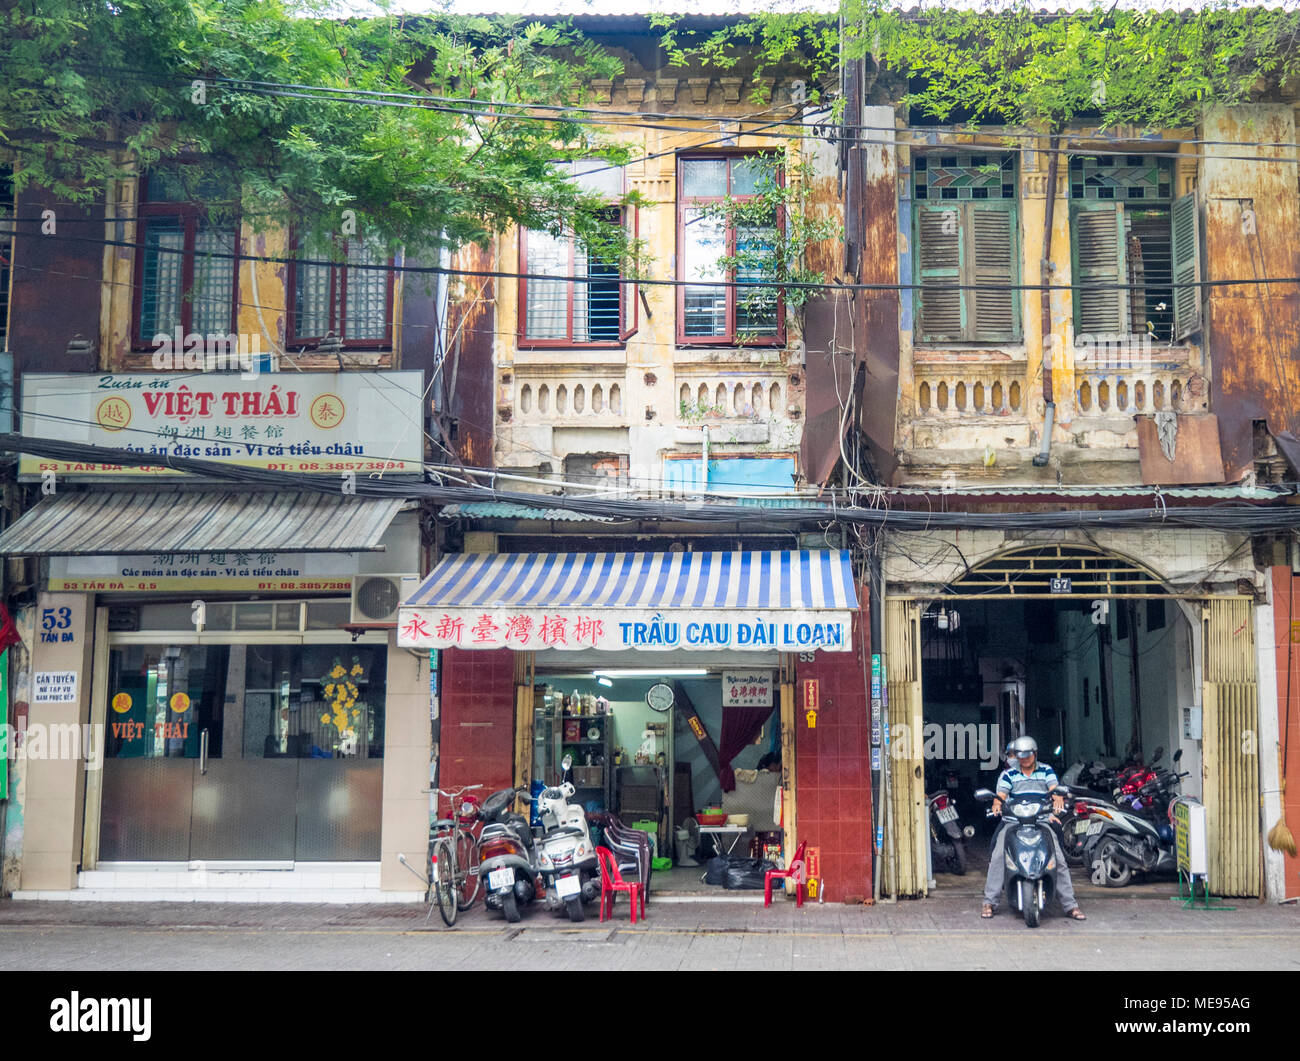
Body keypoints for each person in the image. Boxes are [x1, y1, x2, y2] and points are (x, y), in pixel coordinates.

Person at [981, 735, 1086, 921]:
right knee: (998, 856)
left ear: (1035, 754)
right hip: (1013, 822)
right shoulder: (1008, 774)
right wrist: (997, 804)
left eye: (1028, 755)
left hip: (1041, 821)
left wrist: (1058, 798)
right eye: (1020, 755)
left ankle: (1070, 905)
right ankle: (990, 901)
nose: (1024, 759)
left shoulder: (1046, 771)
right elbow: (1001, 794)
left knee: (1059, 860)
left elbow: (1054, 788)